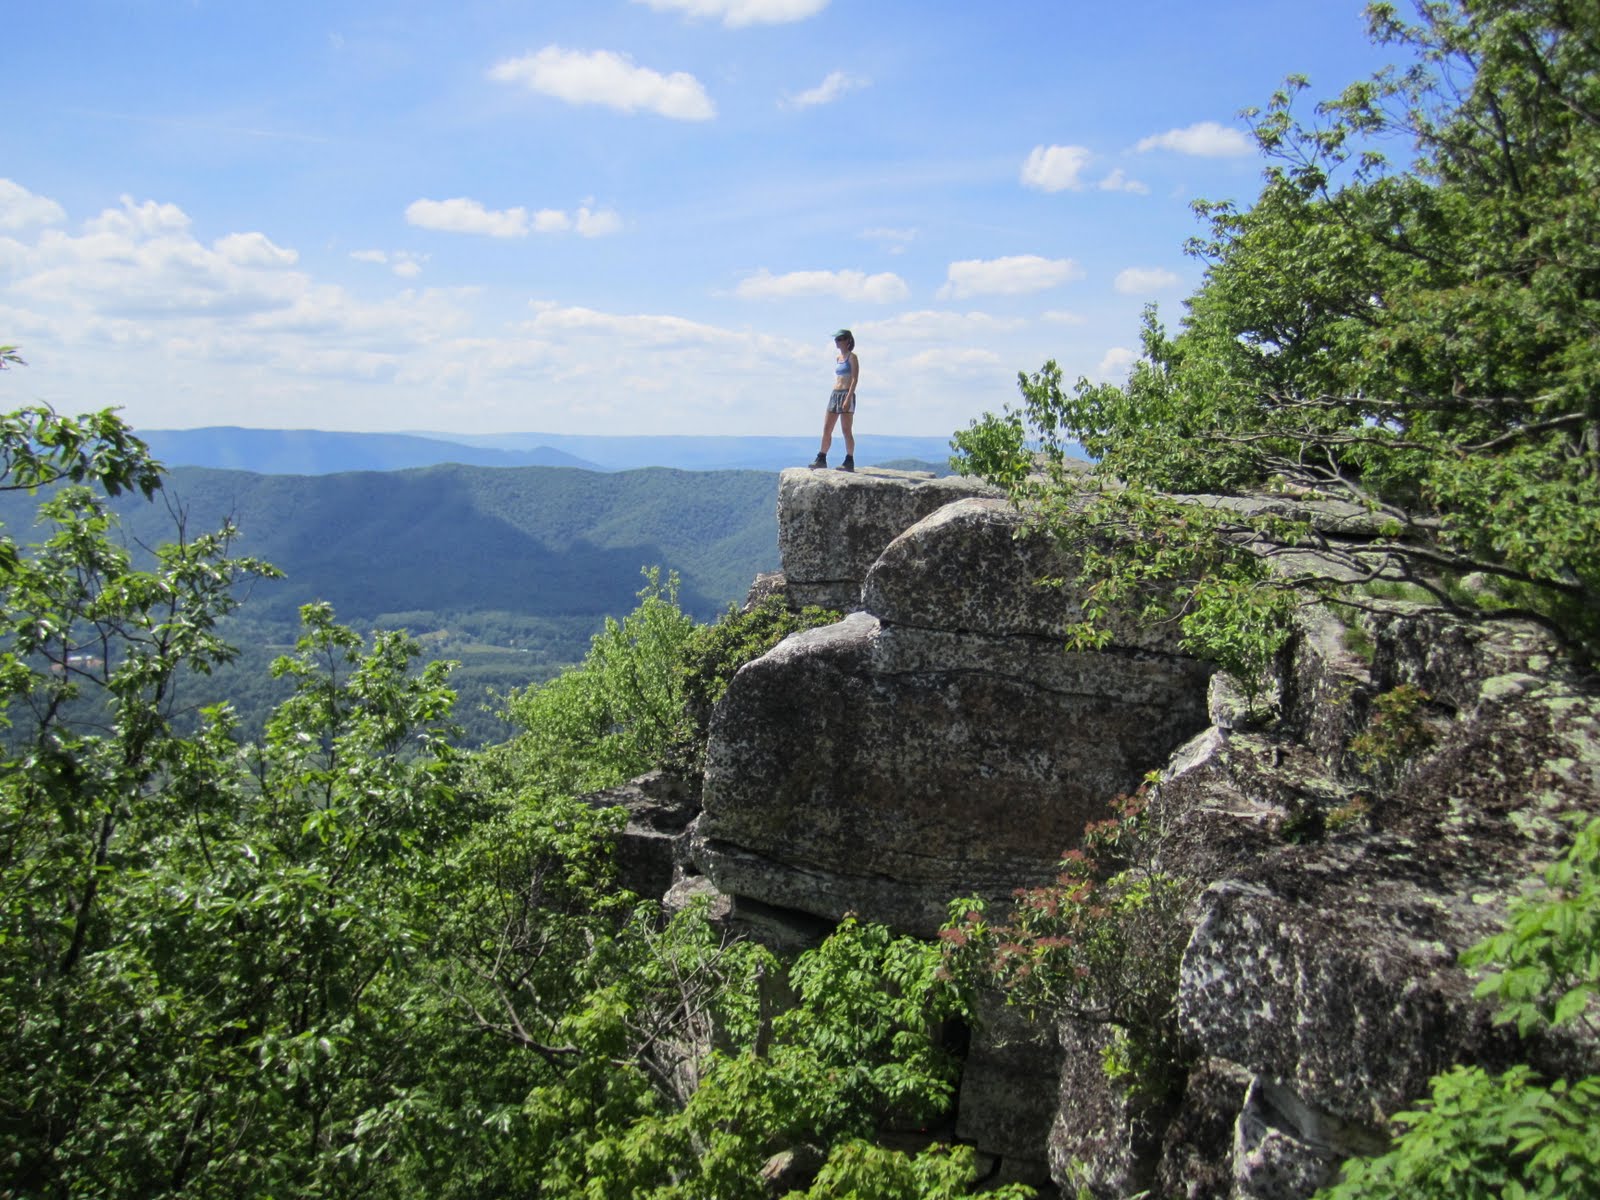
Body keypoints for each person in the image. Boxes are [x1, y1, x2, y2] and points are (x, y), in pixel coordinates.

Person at [809, 328, 858, 471]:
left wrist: (848, 398)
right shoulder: (838, 358)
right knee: (827, 428)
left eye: (839, 339)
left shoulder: (852, 357)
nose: (837, 342)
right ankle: (821, 457)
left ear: (848, 340)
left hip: (846, 393)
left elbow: (854, 378)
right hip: (835, 393)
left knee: (846, 430)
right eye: (836, 339)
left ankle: (849, 460)